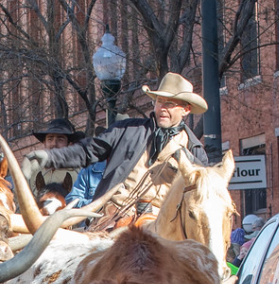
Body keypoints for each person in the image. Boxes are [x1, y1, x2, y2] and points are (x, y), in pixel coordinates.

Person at [24, 72, 210, 199]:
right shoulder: (126, 130)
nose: (162, 108)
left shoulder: (195, 151)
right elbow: (87, 151)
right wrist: (50, 157)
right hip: (117, 219)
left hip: (168, 225)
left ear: (185, 109)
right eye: (159, 101)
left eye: (170, 104)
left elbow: (203, 197)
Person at [27, 118, 82, 199]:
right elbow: (18, 201)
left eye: (60, 139)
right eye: (50, 139)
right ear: (44, 143)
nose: (54, 144)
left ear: (69, 144)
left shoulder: (80, 173)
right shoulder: (32, 172)